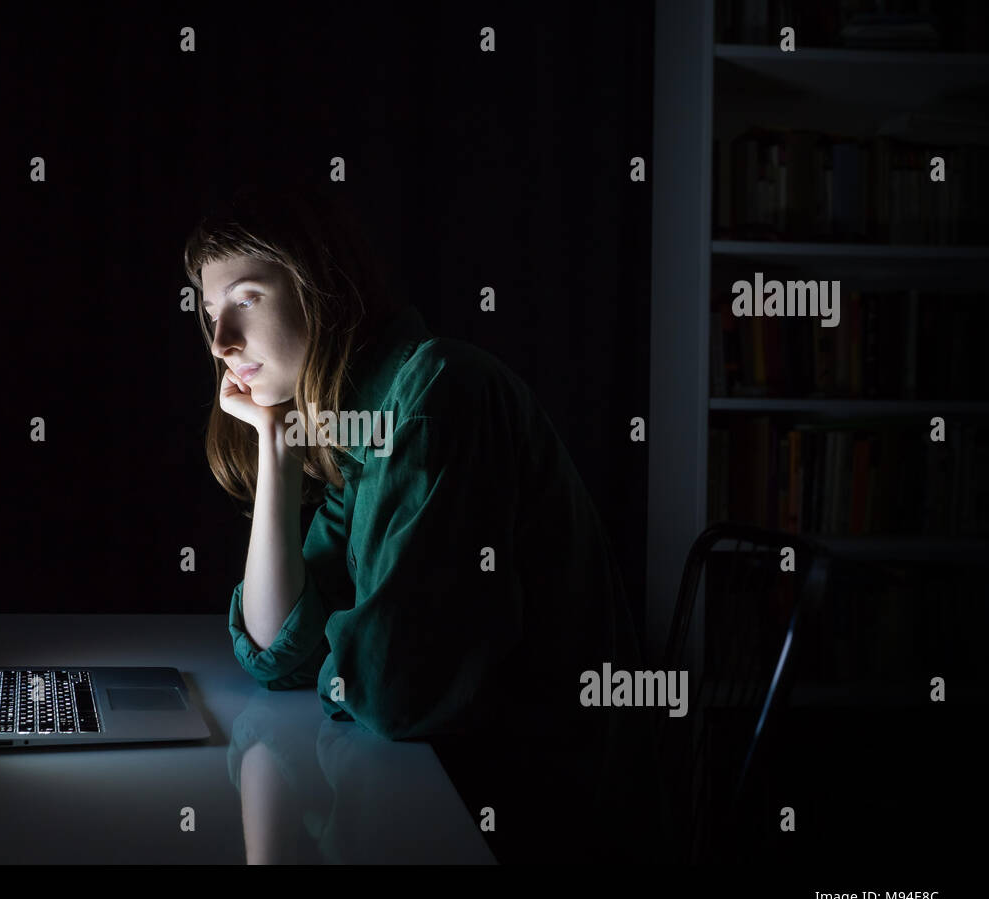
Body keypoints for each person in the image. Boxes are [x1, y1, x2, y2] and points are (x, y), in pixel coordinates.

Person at [183, 180, 664, 861]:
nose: (221, 342)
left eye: (247, 299)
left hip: (542, 826)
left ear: (319, 285)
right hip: (456, 804)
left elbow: (394, 690)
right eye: (210, 314)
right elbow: (277, 649)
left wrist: (343, 648)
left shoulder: (436, 394)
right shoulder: (362, 431)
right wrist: (275, 445)